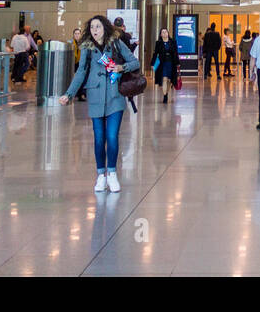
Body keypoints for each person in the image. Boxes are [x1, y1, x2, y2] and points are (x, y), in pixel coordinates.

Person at [60, 16, 139, 192]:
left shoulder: (116, 43)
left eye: (98, 26)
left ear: (105, 28)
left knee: (111, 137)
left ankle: (112, 174)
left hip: (115, 96)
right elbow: (81, 72)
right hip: (95, 96)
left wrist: (121, 68)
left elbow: (135, 62)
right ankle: (100, 175)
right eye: (92, 27)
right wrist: (69, 94)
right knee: (98, 138)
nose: (95, 30)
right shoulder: (87, 47)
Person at [151, 27, 179, 104]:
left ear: (168, 33)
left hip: (171, 62)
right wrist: (152, 63)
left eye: (165, 32)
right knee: (164, 79)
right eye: (162, 32)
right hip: (162, 63)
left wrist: (178, 63)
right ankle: (165, 96)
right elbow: (155, 53)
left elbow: (176, 53)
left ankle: (167, 92)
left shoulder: (173, 42)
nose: (164, 33)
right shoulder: (158, 43)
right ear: (160, 34)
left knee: (170, 80)